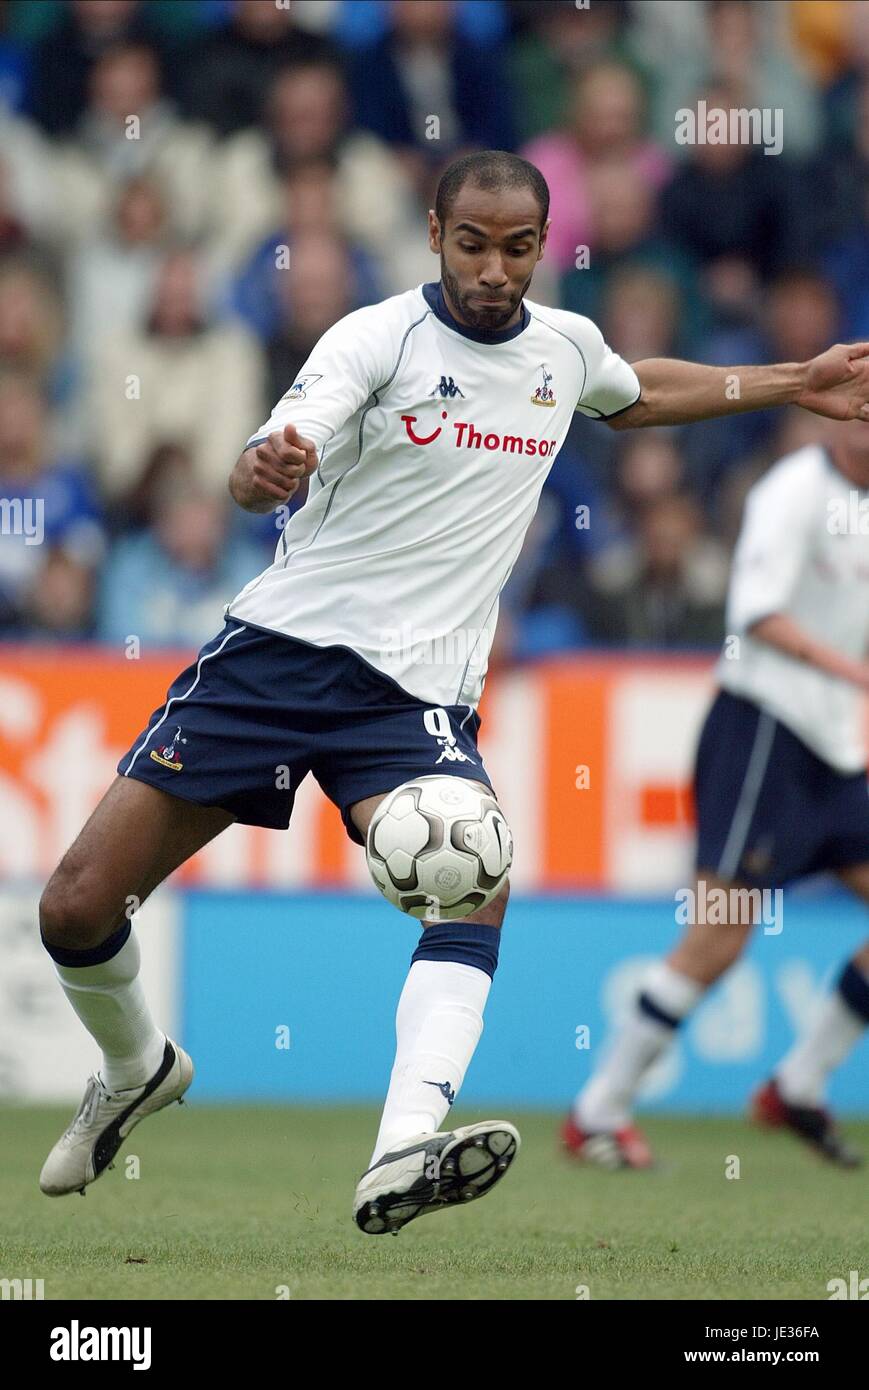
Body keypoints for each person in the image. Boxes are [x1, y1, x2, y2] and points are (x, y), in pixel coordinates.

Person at [36, 149, 869, 1235]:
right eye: (471, 245)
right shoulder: (375, 338)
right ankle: (136, 1065)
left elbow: (635, 393)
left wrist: (794, 381)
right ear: (434, 235)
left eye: (516, 248)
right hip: (278, 658)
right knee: (76, 907)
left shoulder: (563, 349)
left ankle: (400, 1148)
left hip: (413, 697)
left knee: (476, 878)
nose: (492, 269)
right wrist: (261, 471)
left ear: (542, 246)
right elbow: (266, 456)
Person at [565, 416, 869, 1169]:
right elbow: (756, 615)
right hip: (764, 730)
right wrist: (853, 672)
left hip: (837, 746)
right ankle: (597, 1110)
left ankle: (798, 1086)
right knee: (721, 933)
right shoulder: (793, 490)